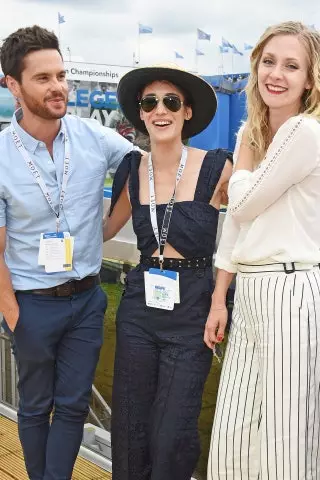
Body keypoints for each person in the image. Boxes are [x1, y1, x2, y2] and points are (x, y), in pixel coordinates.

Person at [0, 25, 136, 480]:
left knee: (74, 406)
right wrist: (14, 315)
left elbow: (143, 166)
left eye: (61, 75)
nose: (58, 86)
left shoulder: (91, 137)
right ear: (13, 85)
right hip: (31, 303)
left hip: (87, 300)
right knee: (36, 408)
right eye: (43, 78)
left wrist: (108, 227)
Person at [103, 64, 233, 480]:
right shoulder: (131, 170)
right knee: (130, 423)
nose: (161, 110)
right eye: (150, 102)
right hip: (140, 308)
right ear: (140, 113)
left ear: (187, 112)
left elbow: (251, 227)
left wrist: (220, 300)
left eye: (171, 101)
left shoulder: (217, 167)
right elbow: (104, 231)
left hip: (193, 310)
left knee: (172, 430)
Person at [205, 21, 320, 480]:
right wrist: (218, 299)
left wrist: (239, 171)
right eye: (269, 62)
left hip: (291, 291)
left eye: (292, 66)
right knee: (232, 433)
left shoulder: (303, 130)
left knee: (283, 438)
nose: (277, 73)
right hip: (252, 292)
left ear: (309, 80)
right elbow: (235, 224)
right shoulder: (253, 133)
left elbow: (244, 201)